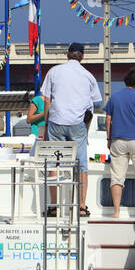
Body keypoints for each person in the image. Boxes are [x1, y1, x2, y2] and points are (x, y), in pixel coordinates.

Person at [39, 42, 103, 216]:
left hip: (56, 121)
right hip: (77, 124)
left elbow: (47, 100)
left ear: (67, 54)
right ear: (82, 56)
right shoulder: (88, 76)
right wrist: (86, 132)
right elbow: (91, 108)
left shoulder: (54, 71)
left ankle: (53, 206)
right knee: (81, 165)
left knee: (53, 162)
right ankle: (81, 206)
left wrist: (45, 126)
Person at [104, 68, 135, 218]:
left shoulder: (114, 97)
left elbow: (108, 119)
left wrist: (109, 138)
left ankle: (116, 211)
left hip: (118, 140)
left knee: (117, 176)